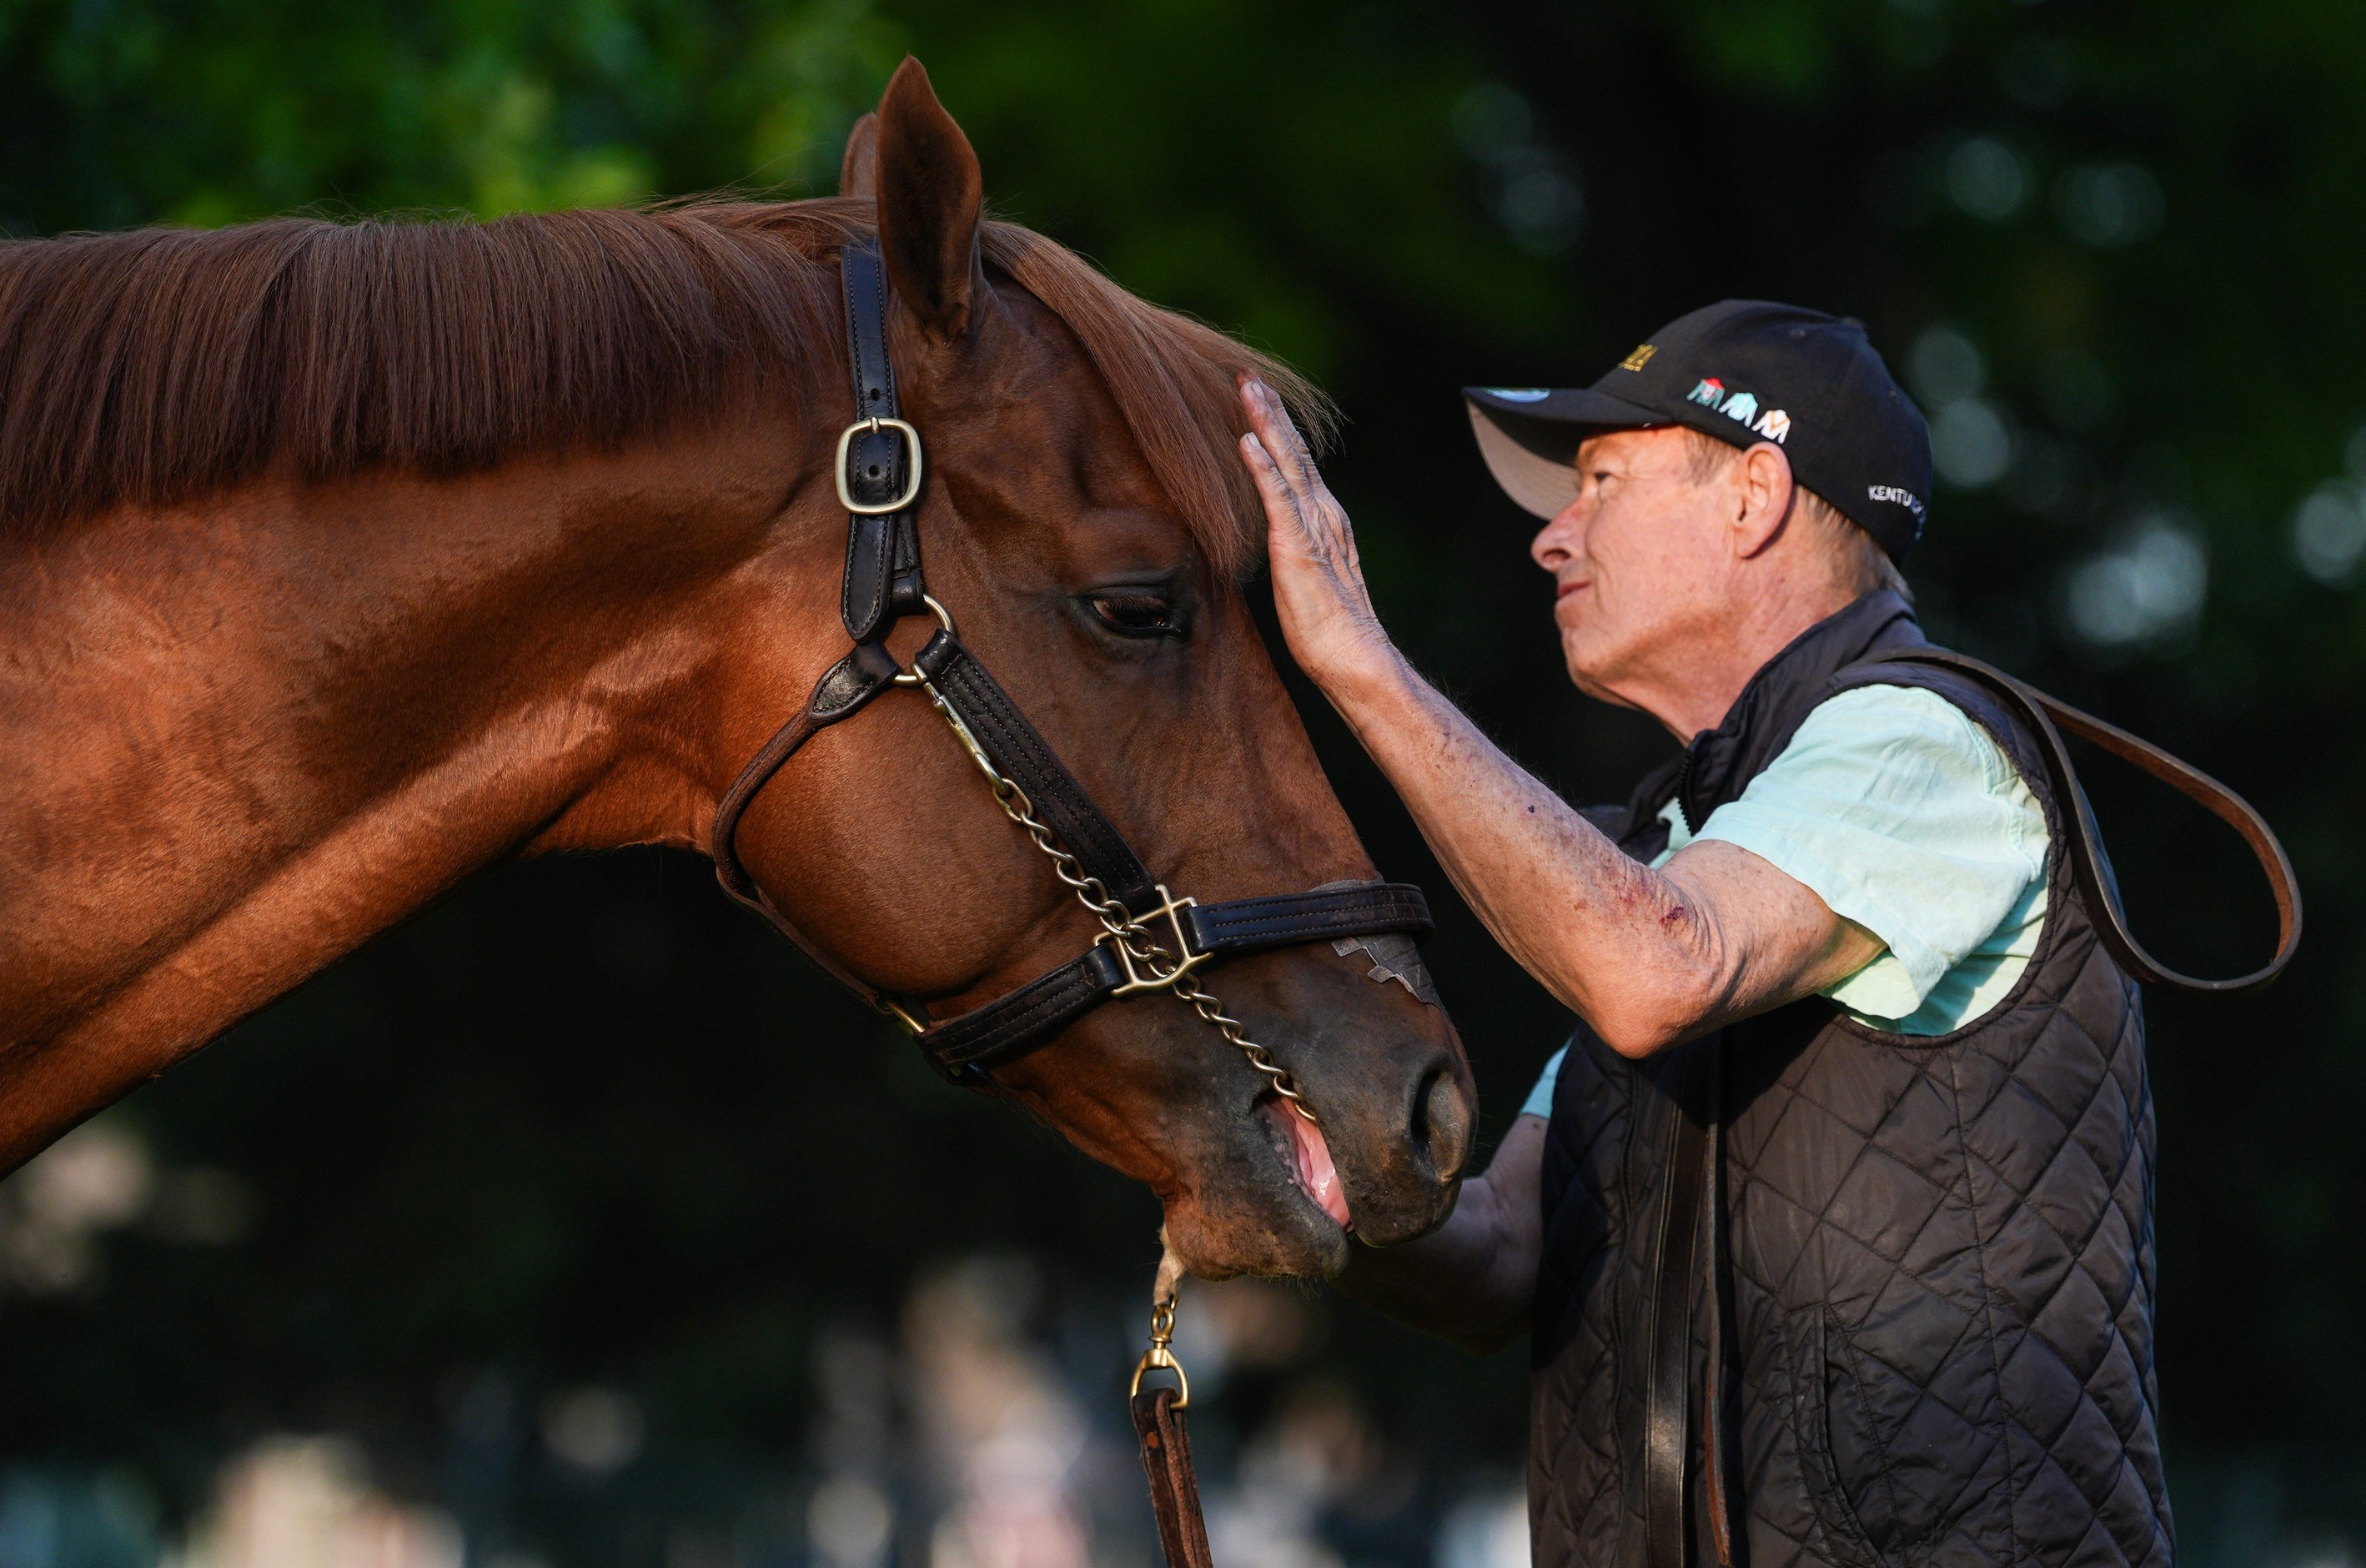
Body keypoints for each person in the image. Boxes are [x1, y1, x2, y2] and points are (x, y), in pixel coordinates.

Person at [1233, 303, 2183, 1567]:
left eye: (1601, 484)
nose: (1550, 538)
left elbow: (1655, 970)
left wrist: (1360, 662)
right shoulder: (1697, 852)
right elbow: (1503, 1254)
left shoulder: (1925, 745)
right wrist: (1294, 1165)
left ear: (1753, 496)